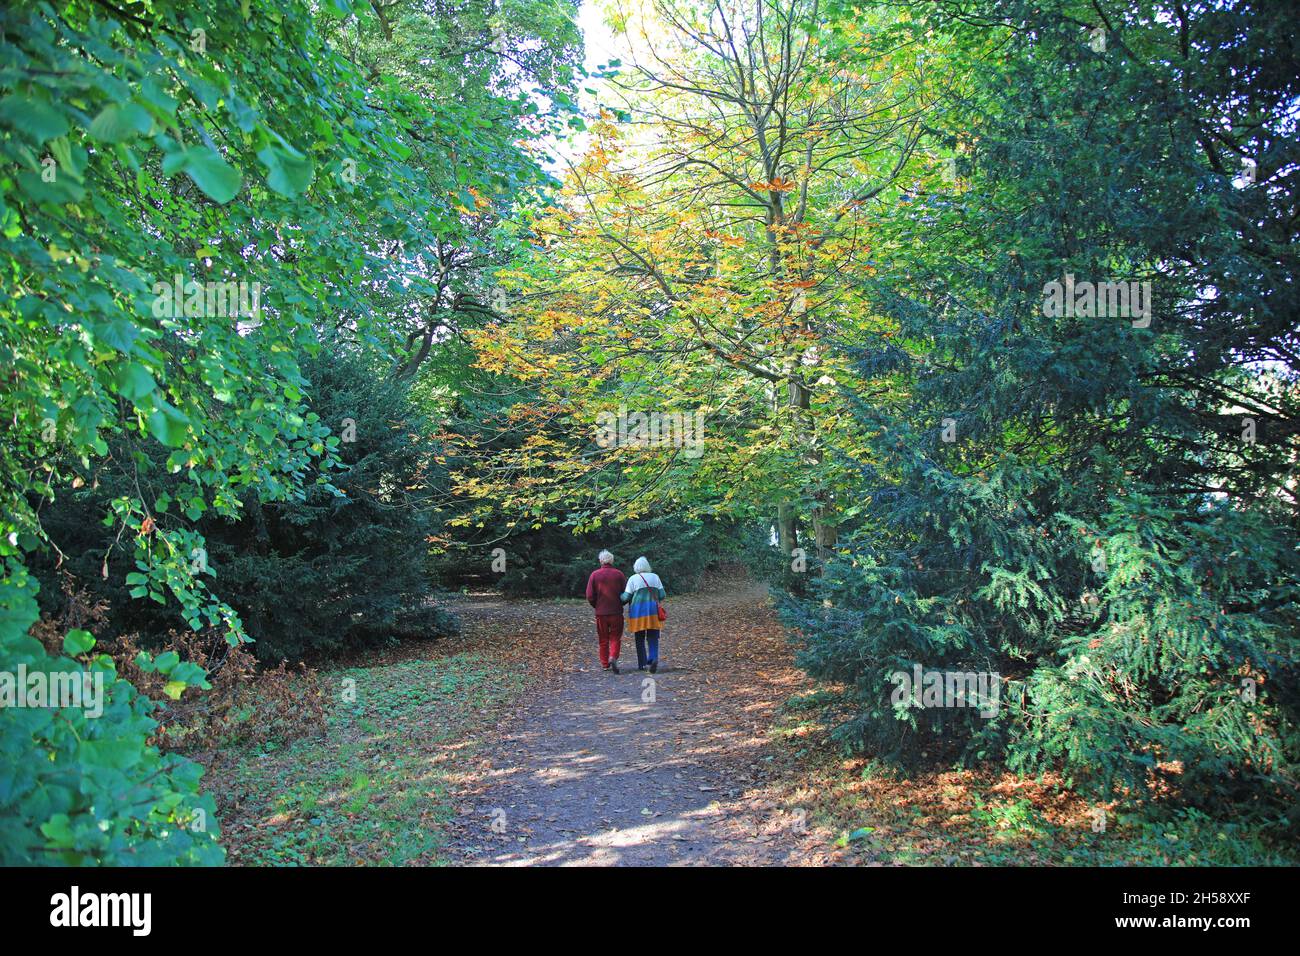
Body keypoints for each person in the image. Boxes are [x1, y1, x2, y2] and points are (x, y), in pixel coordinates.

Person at [622, 556, 666, 673]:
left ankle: (642, 664)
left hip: (637, 612)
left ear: (636, 567)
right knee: (653, 637)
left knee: (639, 638)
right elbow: (662, 595)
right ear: (648, 566)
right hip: (653, 611)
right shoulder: (655, 577)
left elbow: (626, 597)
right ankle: (653, 658)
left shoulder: (633, 579)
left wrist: (618, 598)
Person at [585, 550, 627, 673]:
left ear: (600, 561)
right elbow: (625, 594)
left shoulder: (594, 575)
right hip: (616, 612)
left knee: (603, 638)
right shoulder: (619, 574)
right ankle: (613, 657)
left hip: (601, 613)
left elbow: (589, 595)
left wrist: (596, 605)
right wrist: (621, 603)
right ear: (612, 560)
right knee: (615, 637)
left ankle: (604, 664)